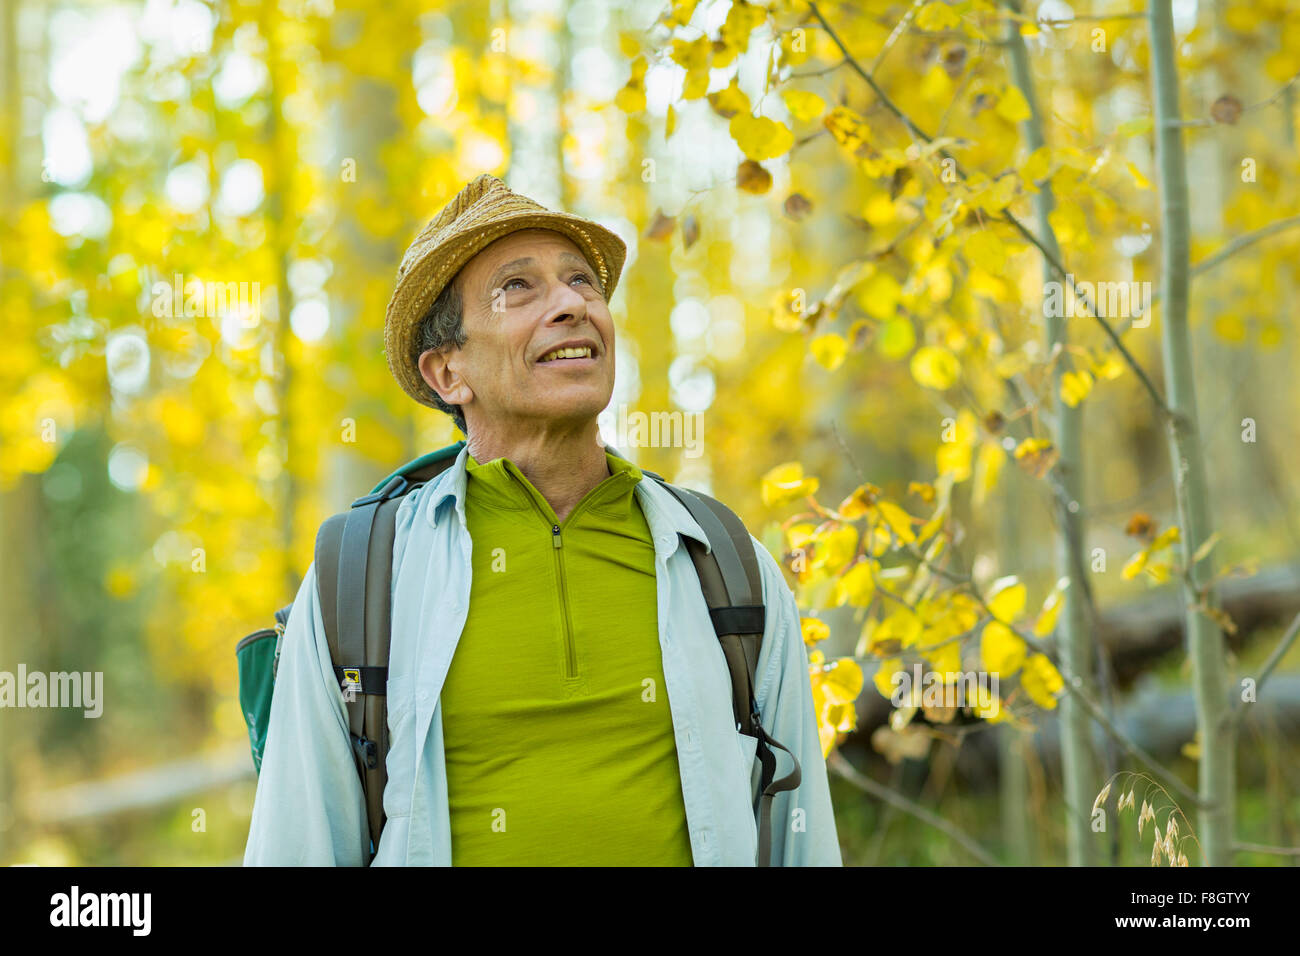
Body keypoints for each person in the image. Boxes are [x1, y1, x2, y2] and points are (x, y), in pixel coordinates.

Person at [243, 173, 842, 865]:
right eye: (518, 288)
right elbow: (297, 845)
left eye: (583, 282)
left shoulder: (725, 563)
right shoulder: (360, 578)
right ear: (447, 373)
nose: (572, 305)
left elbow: (804, 838)